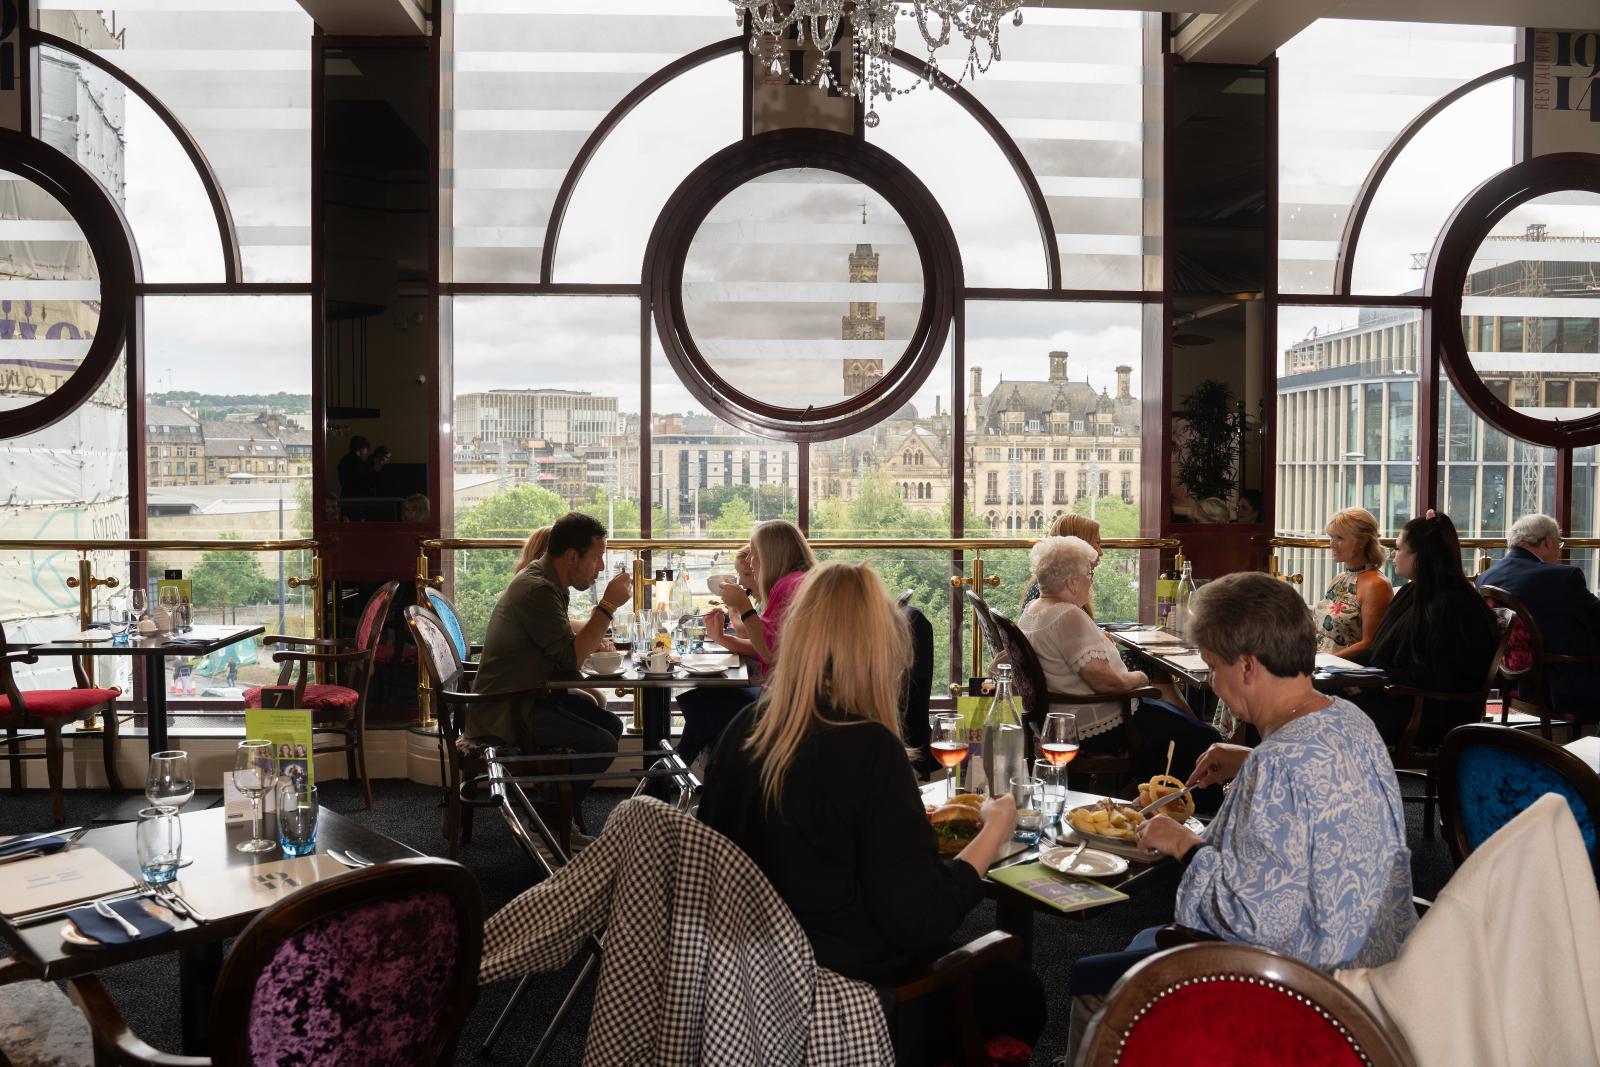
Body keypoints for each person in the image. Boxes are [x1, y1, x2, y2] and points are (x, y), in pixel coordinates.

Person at [699, 562, 1045, 1064]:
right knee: (1022, 994)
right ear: (880, 649)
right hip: (847, 997)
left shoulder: (745, 728)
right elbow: (920, 919)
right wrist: (995, 829)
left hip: (746, 988)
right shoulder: (868, 748)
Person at [1066, 572, 1415, 1055]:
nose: (1213, 681)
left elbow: (1248, 919)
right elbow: (1320, 783)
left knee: (1091, 982)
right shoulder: (1349, 719)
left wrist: (1183, 843)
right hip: (1378, 971)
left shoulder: (1276, 765)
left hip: (1300, 995)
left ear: (1247, 666)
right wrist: (1249, 757)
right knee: (1144, 938)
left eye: (1213, 667)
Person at [1019, 536, 1221, 806]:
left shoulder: (1033, 610)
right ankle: (1193, 815)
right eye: (1089, 575)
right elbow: (1106, 683)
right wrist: (1141, 678)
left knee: (1185, 725)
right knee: (1204, 738)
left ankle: (1150, 802)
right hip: (1100, 724)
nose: (1090, 581)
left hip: (1068, 717)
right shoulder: (1068, 615)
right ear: (1071, 582)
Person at [468, 512, 633, 815]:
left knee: (611, 725)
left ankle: (557, 811)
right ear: (572, 557)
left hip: (531, 698)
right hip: (508, 711)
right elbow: (571, 660)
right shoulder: (537, 589)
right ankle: (551, 821)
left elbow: (563, 653)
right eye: (597, 557)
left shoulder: (546, 581)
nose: (601, 567)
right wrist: (608, 605)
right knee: (601, 744)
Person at [1349, 512, 1500, 748]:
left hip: (1428, 712)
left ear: (1420, 557)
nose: (1393, 555)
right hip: (1402, 697)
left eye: (1399, 549)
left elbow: (1437, 675)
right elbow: (1383, 650)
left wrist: (1368, 679)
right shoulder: (1414, 592)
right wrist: (1343, 669)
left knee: (1325, 712)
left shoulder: (1451, 605)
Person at [680, 521, 815, 767]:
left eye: (754, 553)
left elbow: (769, 651)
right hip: (794, 694)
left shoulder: (788, 586)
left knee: (704, 705)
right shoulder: (798, 581)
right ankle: (680, 773)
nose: (751, 561)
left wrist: (743, 606)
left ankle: (678, 773)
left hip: (784, 700)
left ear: (770, 554)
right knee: (705, 704)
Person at [1478, 513, 1600, 722]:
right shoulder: (1563, 577)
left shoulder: (1486, 577)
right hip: (1561, 687)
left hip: (1513, 683)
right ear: (1547, 541)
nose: (1559, 552)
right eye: (1559, 544)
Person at [1314, 507, 1393, 658]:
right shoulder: (1339, 578)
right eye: (1331, 537)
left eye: (1340, 538)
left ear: (1362, 540)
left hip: (1342, 667)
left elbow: (1369, 644)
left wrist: (1325, 663)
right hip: (1317, 660)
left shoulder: (1376, 585)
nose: (1332, 544)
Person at [1020, 513, 1101, 614]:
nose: (1101, 552)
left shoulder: (1048, 584)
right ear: (1080, 543)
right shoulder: (1059, 593)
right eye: (1097, 543)